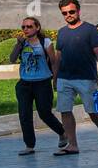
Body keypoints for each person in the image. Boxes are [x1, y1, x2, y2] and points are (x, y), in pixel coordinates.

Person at [52, 0, 98, 155]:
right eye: (65, 13)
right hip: (65, 78)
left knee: (92, 111)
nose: (68, 15)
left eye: (71, 11)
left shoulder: (90, 29)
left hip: (86, 77)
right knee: (65, 110)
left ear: (78, 11)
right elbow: (58, 56)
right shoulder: (62, 32)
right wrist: (55, 77)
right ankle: (72, 144)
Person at [9, 16, 66, 156]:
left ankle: (63, 133)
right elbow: (12, 59)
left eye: (29, 26)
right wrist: (18, 44)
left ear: (37, 27)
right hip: (24, 84)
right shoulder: (22, 43)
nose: (26, 29)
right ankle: (29, 145)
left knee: (44, 113)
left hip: (42, 82)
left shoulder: (45, 42)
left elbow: (53, 62)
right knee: (24, 115)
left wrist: (55, 80)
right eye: (23, 27)